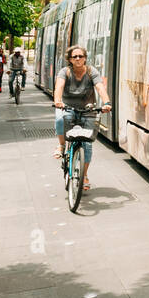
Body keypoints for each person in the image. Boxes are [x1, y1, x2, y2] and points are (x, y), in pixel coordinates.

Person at [54, 45, 111, 190]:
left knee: (87, 145)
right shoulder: (65, 72)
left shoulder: (92, 71)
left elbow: (100, 87)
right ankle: (61, 146)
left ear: (85, 58)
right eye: (75, 57)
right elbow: (59, 87)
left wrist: (106, 102)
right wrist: (57, 101)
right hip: (67, 106)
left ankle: (84, 175)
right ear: (70, 59)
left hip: (88, 108)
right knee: (60, 119)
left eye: (81, 56)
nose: (78, 59)